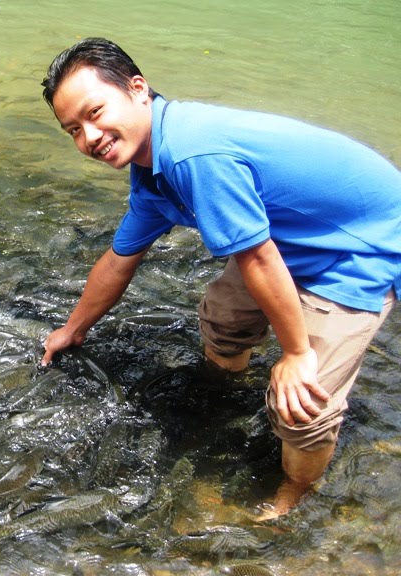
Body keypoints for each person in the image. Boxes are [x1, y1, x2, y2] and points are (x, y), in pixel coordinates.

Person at [39, 37, 401, 518]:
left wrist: (296, 354)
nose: (90, 136)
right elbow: (119, 260)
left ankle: (294, 495)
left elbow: (256, 258)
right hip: (287, 236)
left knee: (300, 407)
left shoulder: (194, 155)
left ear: (138, 88)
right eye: (73, 130)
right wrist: (74, 329)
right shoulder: (152, 170)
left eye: (95, 111)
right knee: (223, 317)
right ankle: (225, 392)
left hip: (357, 248)